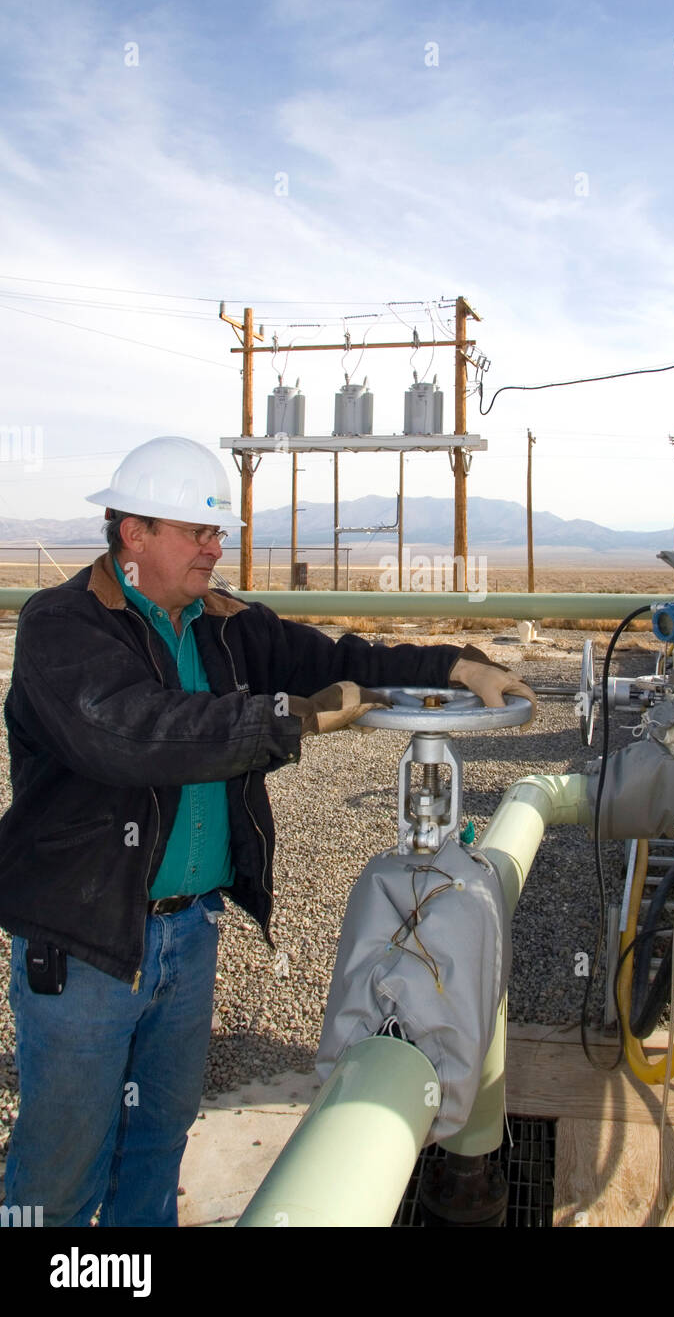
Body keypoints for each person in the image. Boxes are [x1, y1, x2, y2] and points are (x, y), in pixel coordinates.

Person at [0, 436, 536, 1227]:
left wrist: (453, 665)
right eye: (199, 531)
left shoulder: (226, 624)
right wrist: (291, 715)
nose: (218, 548)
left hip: (187, 932)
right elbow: (133, 733)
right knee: (62, 1164)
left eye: (220, 533)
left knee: (156, 1139)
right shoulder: (62, 626)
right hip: (85, 942)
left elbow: (337, 657)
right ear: (133, 534)